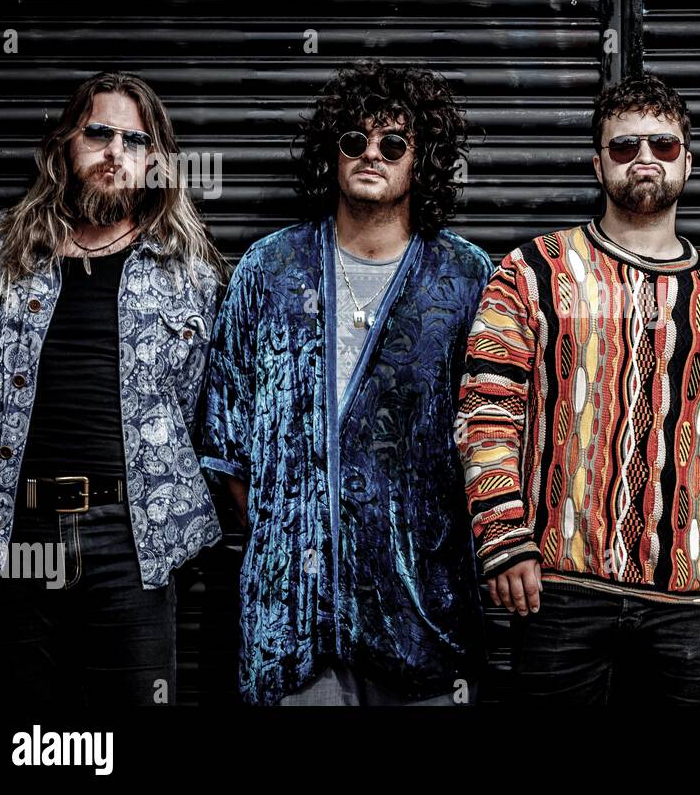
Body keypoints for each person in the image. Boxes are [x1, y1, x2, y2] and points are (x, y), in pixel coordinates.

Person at [455, 74, 700, 704]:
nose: (645, 160)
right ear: (597, 161)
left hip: (689, 605)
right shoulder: (532, 273)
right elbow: (487, 414)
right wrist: (502, 540)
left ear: (687, 159)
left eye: (663, 145)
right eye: (624, 146)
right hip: (558, 591)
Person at [202, 61, 492, 706]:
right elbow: (228, 438)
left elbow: (496, 433)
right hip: (295, 623)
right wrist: (296, 534)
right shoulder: (270, 268)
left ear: (422, 160)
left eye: (393, 143)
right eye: (354, 140)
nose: (371, 155)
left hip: (422, 617)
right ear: (331, 152)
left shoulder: (465, 276)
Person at [0, 71, 223, 706]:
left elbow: (202, 415)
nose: (115, 153)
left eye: (134, 141)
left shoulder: (190, 276)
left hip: (132, 539)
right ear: (63, 147)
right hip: (6, 534)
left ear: (155, 162)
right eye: (98, 133)